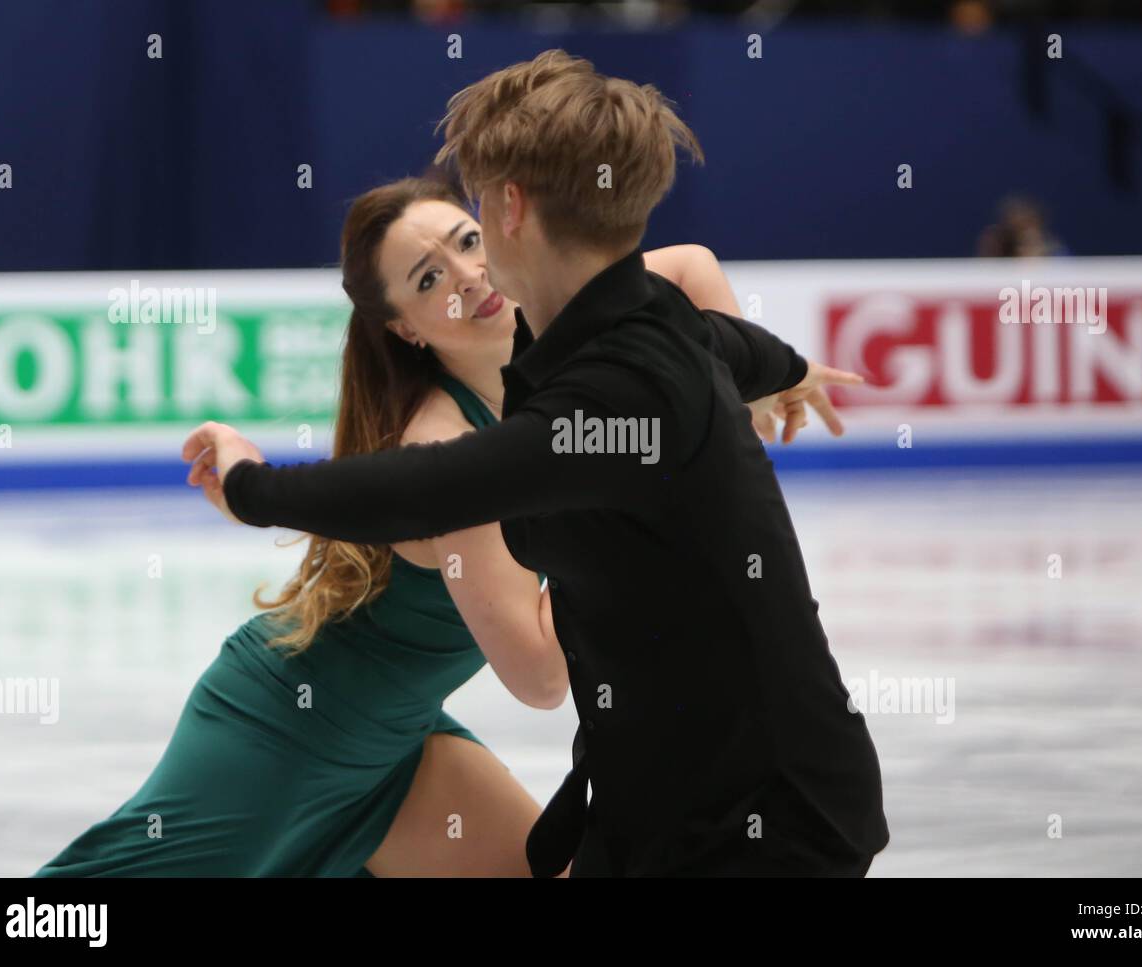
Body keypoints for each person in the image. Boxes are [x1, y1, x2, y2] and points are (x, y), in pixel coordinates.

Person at [188, 49, 890, 876]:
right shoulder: (631, 324)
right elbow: (728, 342)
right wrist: (791, 368)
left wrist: (250, 487)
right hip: (661, 804)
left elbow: (442, 483)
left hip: (760, 820)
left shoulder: (616, 392)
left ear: (510, 207)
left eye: (474, 214)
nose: (468, 258)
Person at [35, 175, 810, 876]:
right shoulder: (449, 452)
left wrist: (772, 378)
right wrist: (660, 523)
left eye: (469, 242)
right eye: (428, 278)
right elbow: (540, 674)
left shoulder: (562, 321)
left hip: (394, 744)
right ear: (406, 328)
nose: (468, 277)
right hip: (280, 734)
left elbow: (691, 268)